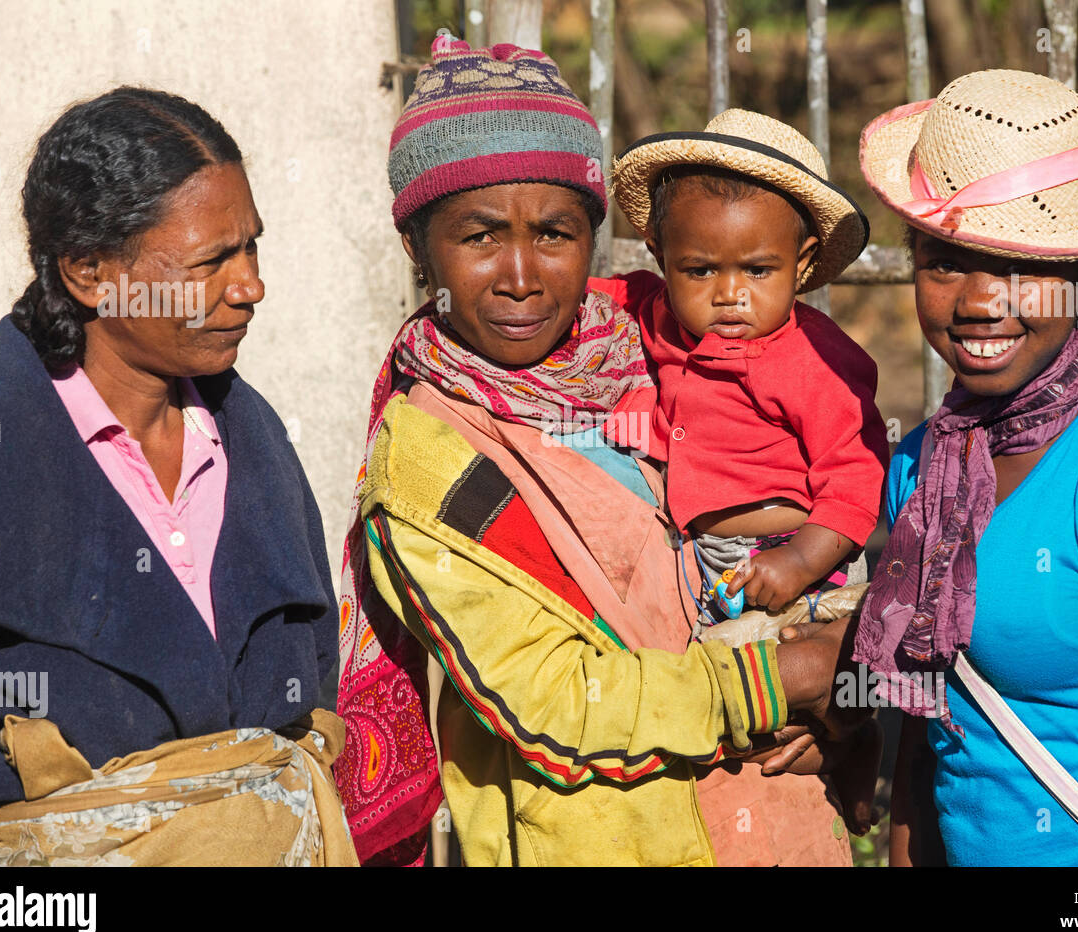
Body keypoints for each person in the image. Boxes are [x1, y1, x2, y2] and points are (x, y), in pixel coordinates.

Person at [334, 35, 870, 867]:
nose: (521, 276)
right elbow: (556, 703)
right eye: (479, 237)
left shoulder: (647, 352)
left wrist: (826, 719)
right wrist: (791, 678)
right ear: (417, 247)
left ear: (596, 241)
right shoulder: (432, 463)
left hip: (778, 828)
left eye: (555, 233)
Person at [0, 88, 352, 866]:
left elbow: (314, 703)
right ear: (90, 271)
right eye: (211, 262)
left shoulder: (256, 449)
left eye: (252, 248)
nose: (250, 287)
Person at [855, 69, 1078, 866]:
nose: (981, 301)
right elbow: (928, 743)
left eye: (1022, 267)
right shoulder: (921, 467)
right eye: (945, 261)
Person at [590, 109, 888, 833]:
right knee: (725, 707)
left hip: (787, 559)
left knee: (799, 673)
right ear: (660, 255)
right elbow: (578, 293)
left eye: (758, 271)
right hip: (697, 560)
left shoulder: (813, 360)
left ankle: (854, 750)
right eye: (701, 270)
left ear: (804, 261)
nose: (730, 295)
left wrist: (801, 557)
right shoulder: (647, 310)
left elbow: (856, 475)